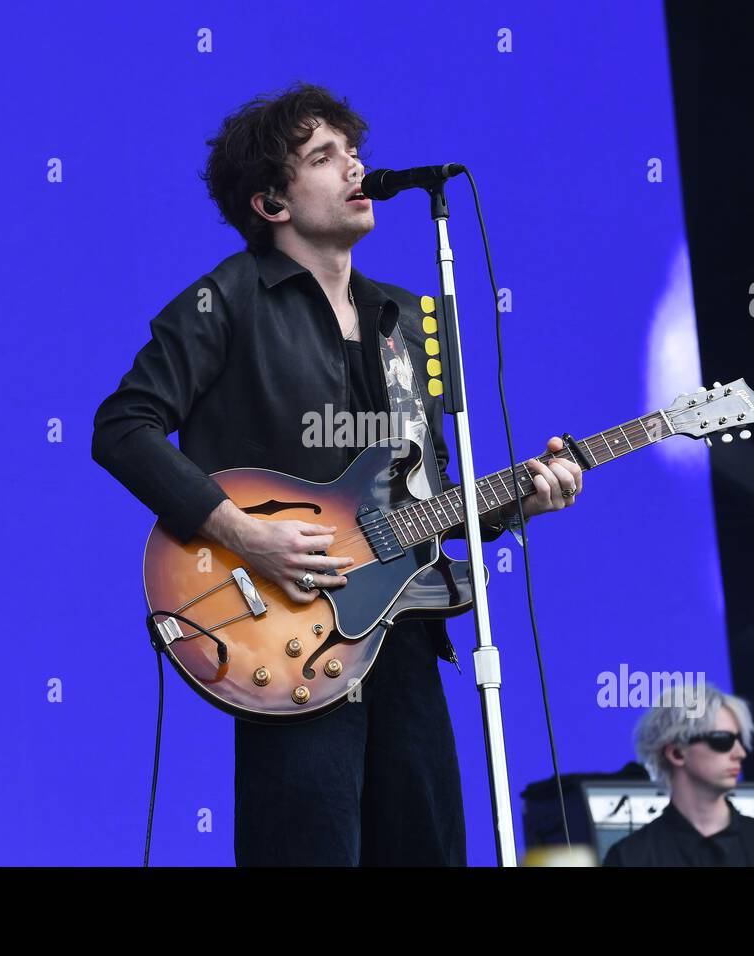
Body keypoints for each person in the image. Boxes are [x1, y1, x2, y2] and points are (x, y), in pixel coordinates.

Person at [91, 82, 583, 865]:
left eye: (354, 151)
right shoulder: (227, 300)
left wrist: (519, 501)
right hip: (288, 635)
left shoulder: (405, 318)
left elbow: (427, 497)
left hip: (409, 638)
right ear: (271, 204)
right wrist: (244, 534)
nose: (355, 166)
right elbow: (122, 428)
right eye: (324, 156)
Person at [603, 686, 754, 866]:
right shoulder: (631, 857)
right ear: (676, 753)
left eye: (740, 739)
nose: (740, 752)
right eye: (722, 740)